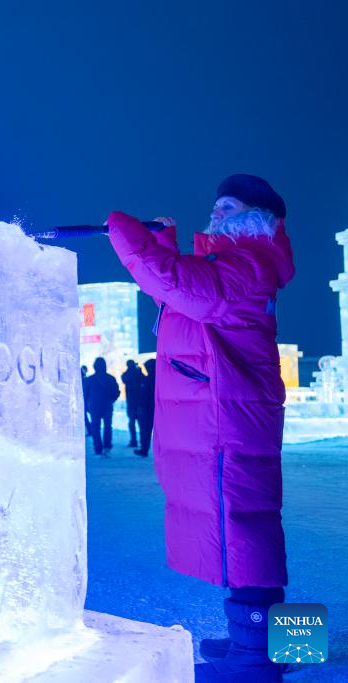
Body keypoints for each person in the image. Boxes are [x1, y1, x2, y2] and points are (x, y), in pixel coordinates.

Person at [106, 174, 293, 682]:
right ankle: (274, 645)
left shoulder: (248, 263)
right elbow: (187, 293)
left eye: (228, 206)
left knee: (242, 534)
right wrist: (164, 246)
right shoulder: (243, 261)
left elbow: (181, 286)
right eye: (216, 205)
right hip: (229, 417)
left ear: (257, 217)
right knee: (247, 530)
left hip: (227, 424)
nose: (216, 213)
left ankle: (257, 661)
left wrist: (127, 232)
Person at [85, 357, 120, 456]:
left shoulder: (90, 379)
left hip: (94, 407)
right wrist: (111, 400)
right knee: (108, 426)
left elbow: (86, 394)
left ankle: (98, 448)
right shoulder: (110, 378)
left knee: (95, 427)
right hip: (107, 406)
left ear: (94, 366)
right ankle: (107, 446)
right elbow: (116, 392)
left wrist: (88, 406)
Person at [120, 359, 144, 448]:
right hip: (139, 402)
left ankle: (134, 441)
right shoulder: (138, 373)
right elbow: (144, 379)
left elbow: (124, 378)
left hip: (131, 402)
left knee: (132, 422)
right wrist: (138, 370)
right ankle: (142, 441)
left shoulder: (126, 374)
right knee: (141, 423)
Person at [134, 358, 155, 457]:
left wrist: (140, 408)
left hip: (147, 410)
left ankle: (144, 450)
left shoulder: (147, 380)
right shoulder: (161, 380)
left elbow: (143, 396)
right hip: (160, 410)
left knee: (145, 431)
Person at [80, 364, 92, 436]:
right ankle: (91, 430)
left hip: (86, 400)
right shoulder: (84, 379)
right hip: (85, 400)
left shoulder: (85, 379)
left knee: (86, 416)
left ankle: (91, 430)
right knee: (86, 416)